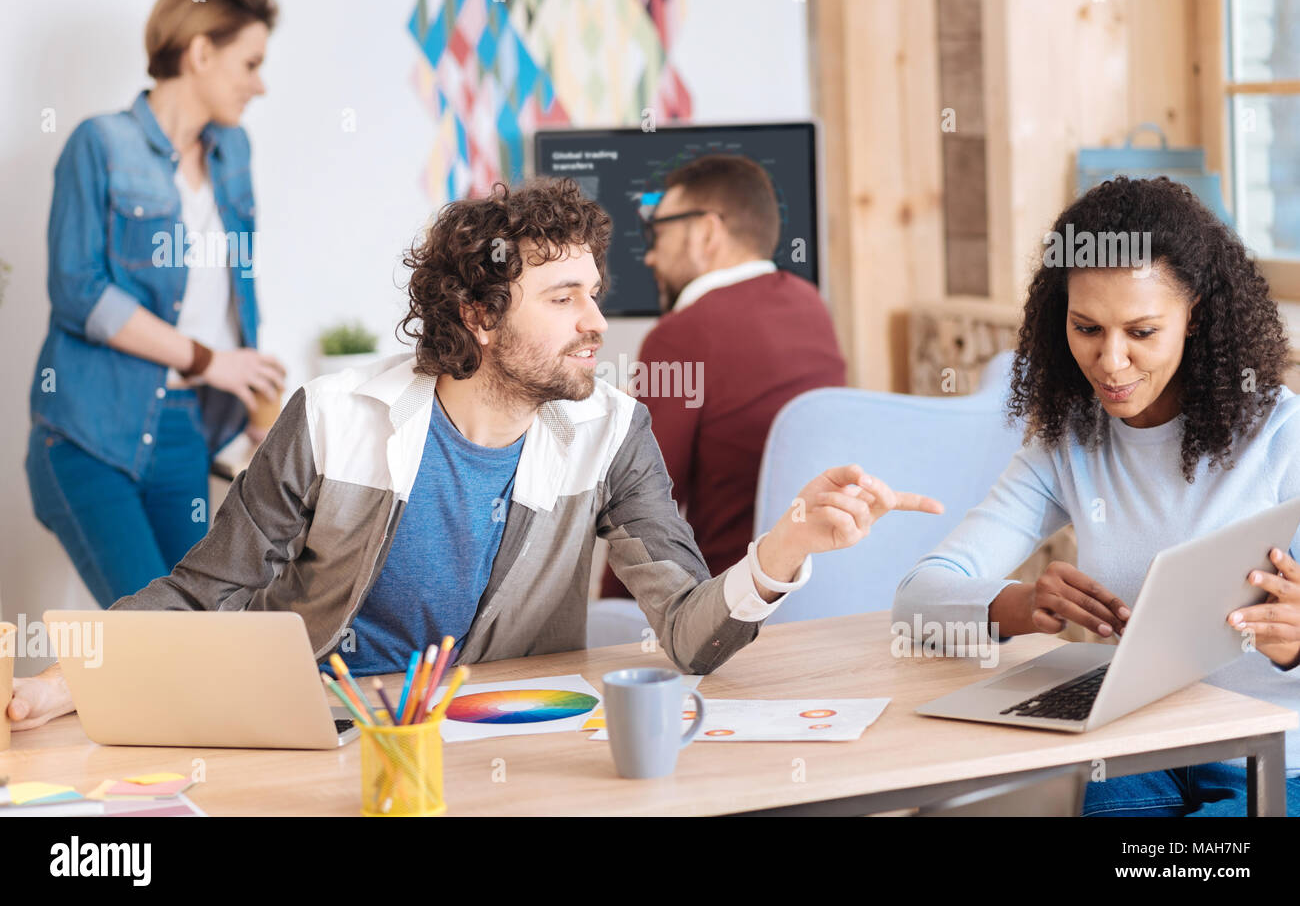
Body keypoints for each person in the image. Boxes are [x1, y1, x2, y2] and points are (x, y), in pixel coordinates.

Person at [9, 177, 941, 730]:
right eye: (564, 297)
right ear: (481, 315)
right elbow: (206, 590)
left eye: (595, 292)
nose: (594, 324)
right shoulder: (334, 417)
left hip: (514, 740)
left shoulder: (613, 432)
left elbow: (692, 637)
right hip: (339, 732)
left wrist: (783, 549)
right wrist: (68, 676)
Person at [893, 176, 1300, 816]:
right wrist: (1020, 605)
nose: (1111, 362)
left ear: (1196, 319)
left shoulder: (1282, 439)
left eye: (1142, 332)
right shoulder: (1070, 441)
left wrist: (1296, 643)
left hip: (1277, 755)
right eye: (1087, 328)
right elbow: (917, 599)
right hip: (1143, 747)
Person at [25, 0, 286, 609]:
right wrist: (208, 361)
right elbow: (79, 292)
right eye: (249, 63)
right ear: (200, 53)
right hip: (92, 434)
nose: (260, 84)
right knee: (153, 637)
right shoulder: (102, 143)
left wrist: (254, 397)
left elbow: (232, 290)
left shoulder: (233, 151)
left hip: (183, 430)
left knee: (203, 624)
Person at [600, 154, 845, 604]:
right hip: (817, 593)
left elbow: (641, 508)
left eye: (658, 232)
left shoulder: (681, 333)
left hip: (723, 607)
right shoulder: (810, 306)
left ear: (706, 232)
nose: (651, 255)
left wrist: (612, 620)